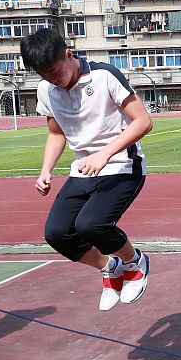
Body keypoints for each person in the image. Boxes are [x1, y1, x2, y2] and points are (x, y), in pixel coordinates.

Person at [21, 28, 153, 312]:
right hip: (83, 169)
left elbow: (143, 122)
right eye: (45, 76)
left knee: (90, 224)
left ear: (69, 55)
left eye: (56, 72)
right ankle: (109, 267)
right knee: (57, 233)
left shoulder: (105, 75)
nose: (53, 80)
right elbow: (56, 134)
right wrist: (46, 171)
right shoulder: (47, 89)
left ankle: (135, 262)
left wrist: (104, 154)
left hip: (122, 166)